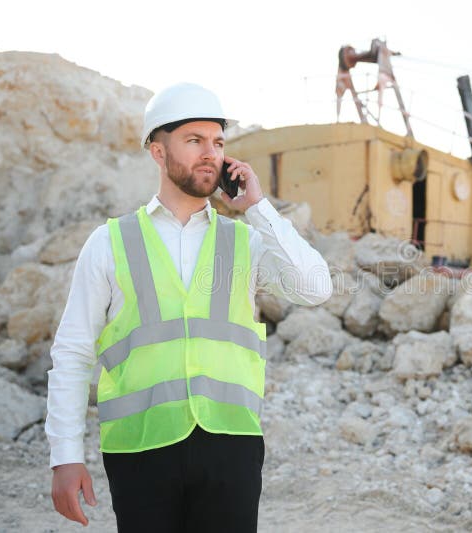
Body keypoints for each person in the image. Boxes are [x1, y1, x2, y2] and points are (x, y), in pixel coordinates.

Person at [46, 82, 332, 532]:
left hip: (230, 447)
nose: (210, 153)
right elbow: (73, 353)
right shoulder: (109, 243)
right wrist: (64, 455)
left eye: (218, 142)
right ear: (158, 152)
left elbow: (316, 287)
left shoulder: (247, 241)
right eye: (194, 140)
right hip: (140, 449)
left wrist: (258, 207)